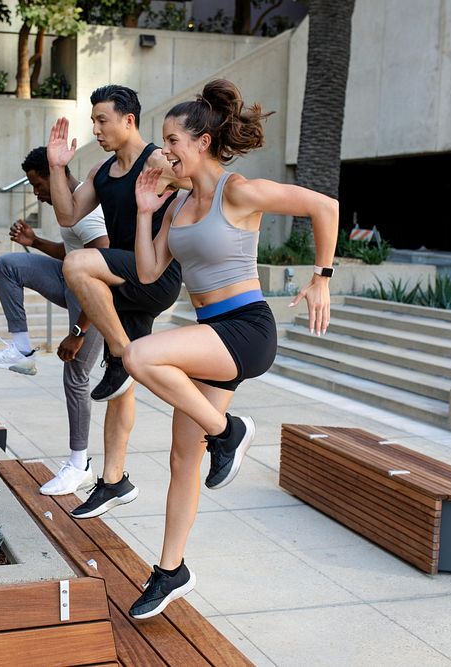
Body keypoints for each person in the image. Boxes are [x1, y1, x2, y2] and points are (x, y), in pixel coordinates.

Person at [121, 79, 338, 619]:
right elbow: (148, 272)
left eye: (171, 140)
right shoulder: (176, 206)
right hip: (208, 335)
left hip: (245, 328)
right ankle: (172, 569)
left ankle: (230, 431)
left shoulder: (236, 191)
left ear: (201, 142)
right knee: (181, 457)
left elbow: (324, 205)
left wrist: (322, 276)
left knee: (139, 356)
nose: (163, 150)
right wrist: (147, 208)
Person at [46, 85, 188, 519]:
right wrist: (56, 167)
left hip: (154, 274)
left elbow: (200, 182)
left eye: (102, 119)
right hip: (120, 280)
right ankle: (114, 481)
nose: (96, 128)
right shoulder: (102, 173)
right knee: (118, 392)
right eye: (93, 120)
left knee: (76, 265)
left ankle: (122, 354)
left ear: (129, 120)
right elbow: (68, 214)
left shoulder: (159, 161)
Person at [0, 147, 109, 495]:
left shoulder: (88, 215)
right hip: (69, 279)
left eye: (38, 185)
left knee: (76, 375)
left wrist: (79, 332)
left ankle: (79, 465)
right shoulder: (71, 207)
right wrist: (33, 242)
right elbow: (72, 253)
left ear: (57, 177)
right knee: (9, 264)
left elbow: (105, 273)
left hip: (94, 299)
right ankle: (22, 349)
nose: (36, 193)